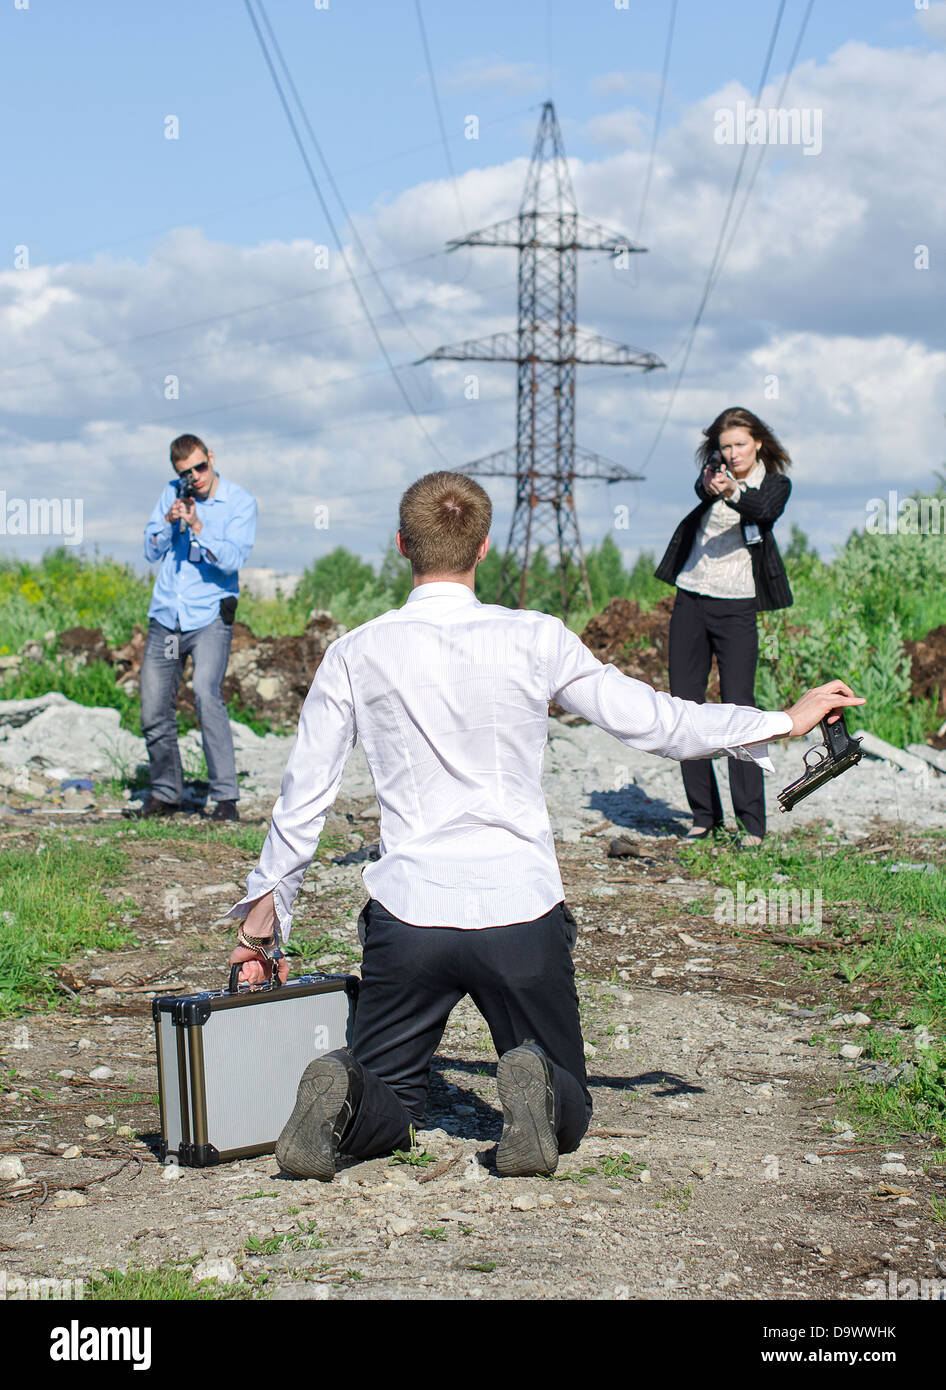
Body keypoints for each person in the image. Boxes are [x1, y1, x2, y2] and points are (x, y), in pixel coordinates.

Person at [226, 471, 862, 1181]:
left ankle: (346, 1099)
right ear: (485, 548)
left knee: (396, 1097)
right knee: (569, 1093)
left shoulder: (356, 652)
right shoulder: (535, 638)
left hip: (409, 920)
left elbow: (302, 797)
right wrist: (783, 720)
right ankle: (539, 1083)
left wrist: (263, 923)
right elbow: (657, 722)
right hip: (519, 914)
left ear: (402, 545)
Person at [654, 407, 794, 846]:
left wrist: (732, 491)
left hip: (737, 607)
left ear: (757, 443)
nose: (731, 454)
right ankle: (703, 817)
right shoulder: (713, 471)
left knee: (740, 708)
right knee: (684, 707)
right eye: (725, 446)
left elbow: (763, 510)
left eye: (739, 445)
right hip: (691, 597)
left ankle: (751, 824)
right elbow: (702, 487)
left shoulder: (775, 482)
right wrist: (713, 483)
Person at [131, 434, 257, 822]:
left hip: (209, 618)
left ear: (211, 459)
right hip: (168, 616)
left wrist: (198, 525)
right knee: (154, 706)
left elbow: (234, 558)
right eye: (186, 472)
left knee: (205, 693)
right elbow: (150, 550)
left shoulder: (239, 502)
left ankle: (225, 799)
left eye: (200, 467)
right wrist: (171, 523)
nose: (195, 477)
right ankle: (167, 793)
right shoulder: (171, 494)